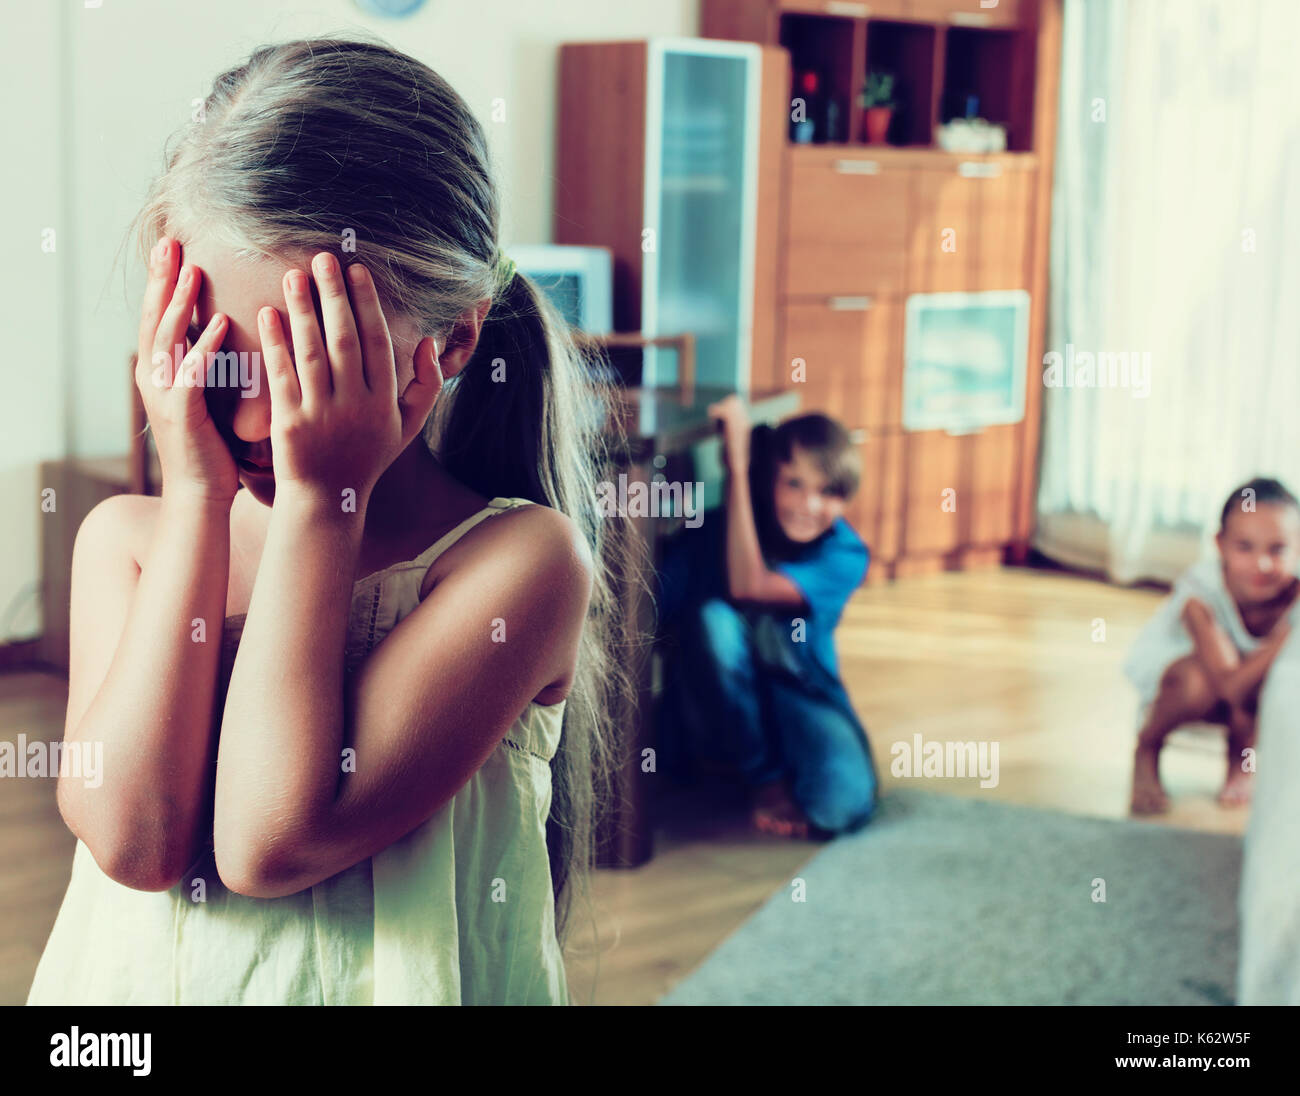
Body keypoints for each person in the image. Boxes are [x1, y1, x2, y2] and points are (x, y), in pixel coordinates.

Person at [27, 35, 638, 1006]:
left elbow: (274, 841)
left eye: (311, 365)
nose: (257, 417)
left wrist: (324, 504)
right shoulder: (130, 545)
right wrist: (193, 503)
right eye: (211, 351)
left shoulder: (516, 565)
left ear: (448, 342)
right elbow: (134, 842)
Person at [655, 396, 877, 840]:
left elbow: (749, 585)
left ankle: (760, 759)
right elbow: (658, 601)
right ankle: (763, 777)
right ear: (771, 478)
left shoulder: (845, 553)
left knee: (842, 804)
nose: (809, 505)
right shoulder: (723, 527)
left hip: (802, 695)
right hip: (721, 692)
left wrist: (735, 467)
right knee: (715, 622)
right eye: (794, 483)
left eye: (827, 491)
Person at [1126, 477, 1300, 814]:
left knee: (1279, 683)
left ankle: (1241, 760)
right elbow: (1230, 685)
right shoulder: (1200, 593)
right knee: (1199, 683)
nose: (1262, 565)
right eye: (1245, 547)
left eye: (1277, 549)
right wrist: (1284, 637)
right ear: (1219, 544)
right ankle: (1147, 748)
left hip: (1251, 687)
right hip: (1199, 680)